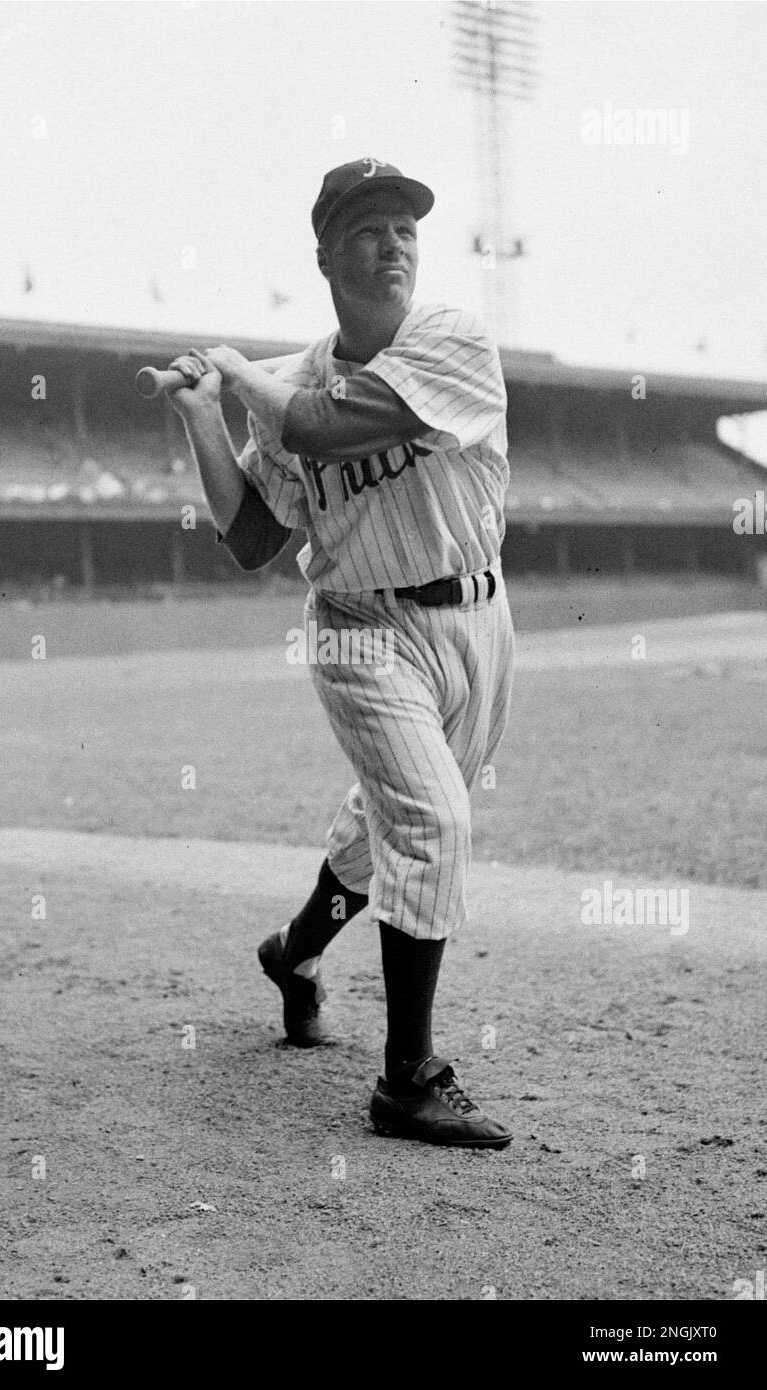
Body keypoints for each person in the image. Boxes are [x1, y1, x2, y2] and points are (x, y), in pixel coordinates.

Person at [168, 159, 515, 1148]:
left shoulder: (449, 340)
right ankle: (408, 1080)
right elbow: (249, 541)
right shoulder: (289, 388)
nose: (392, 243)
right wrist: (205, 417)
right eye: (367, 228)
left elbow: (321, 423)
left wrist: (238, 373)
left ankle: (293, 952)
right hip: (360, 628)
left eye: (404, 226)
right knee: (432, 820)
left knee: (382, 829)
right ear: (325, 256)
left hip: (479, 620)